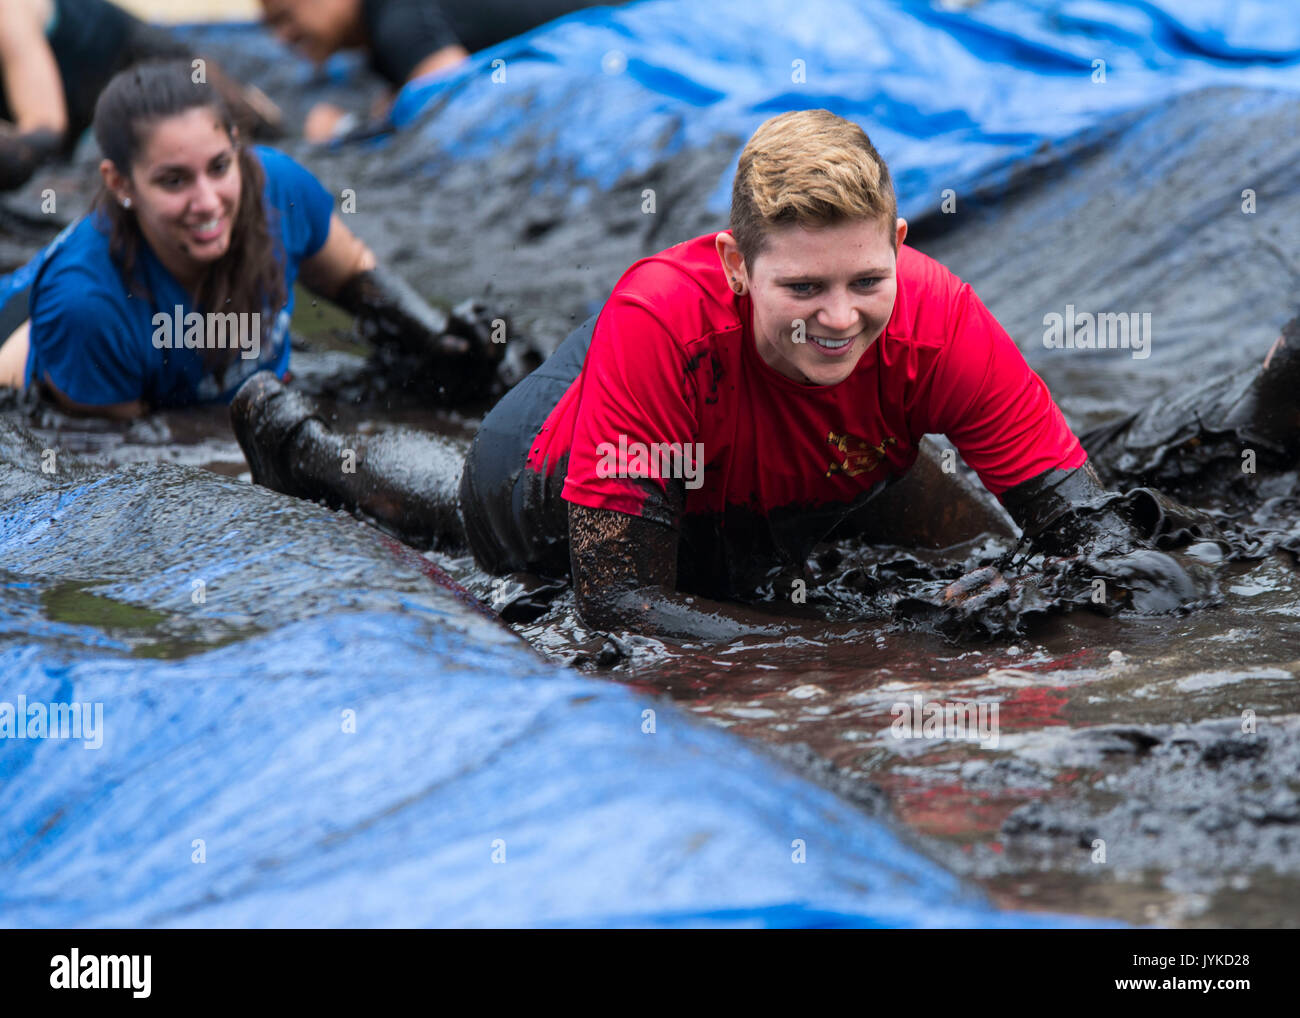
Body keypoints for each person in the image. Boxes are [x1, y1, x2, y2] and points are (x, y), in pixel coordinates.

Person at [230, 109, 1215, 639]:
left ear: (901, 248)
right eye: (803, 287)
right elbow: (615, 605)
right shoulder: (666, 314)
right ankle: (316, 449)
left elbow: (1088, 536)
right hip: (552, 472)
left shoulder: (937, 315)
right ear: (739, 265)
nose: (839, 319)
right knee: (467, 513)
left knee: (984, 549)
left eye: (866, 279)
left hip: (802, 470)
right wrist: (868, 656)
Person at [0, 60, 501, 415]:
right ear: (120, 184)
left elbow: (353, 277)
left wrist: (439, 339)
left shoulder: (277, 189)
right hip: (40, 358)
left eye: (220, 167)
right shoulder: (86, 308)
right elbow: (129, 478)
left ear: (237, 148)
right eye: (174, 181)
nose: (208, 202)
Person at [0, 0, 282, 192]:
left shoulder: (9, 16)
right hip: (72, 105)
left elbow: (45, 127)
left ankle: (276, 117)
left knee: (247, 120)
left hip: (125, 50)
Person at [259, 0, 622, 143]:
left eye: (285, 18)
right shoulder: (381, 38)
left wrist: (345, 131)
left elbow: (446, 110)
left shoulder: (394, 16)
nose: (281, 39)